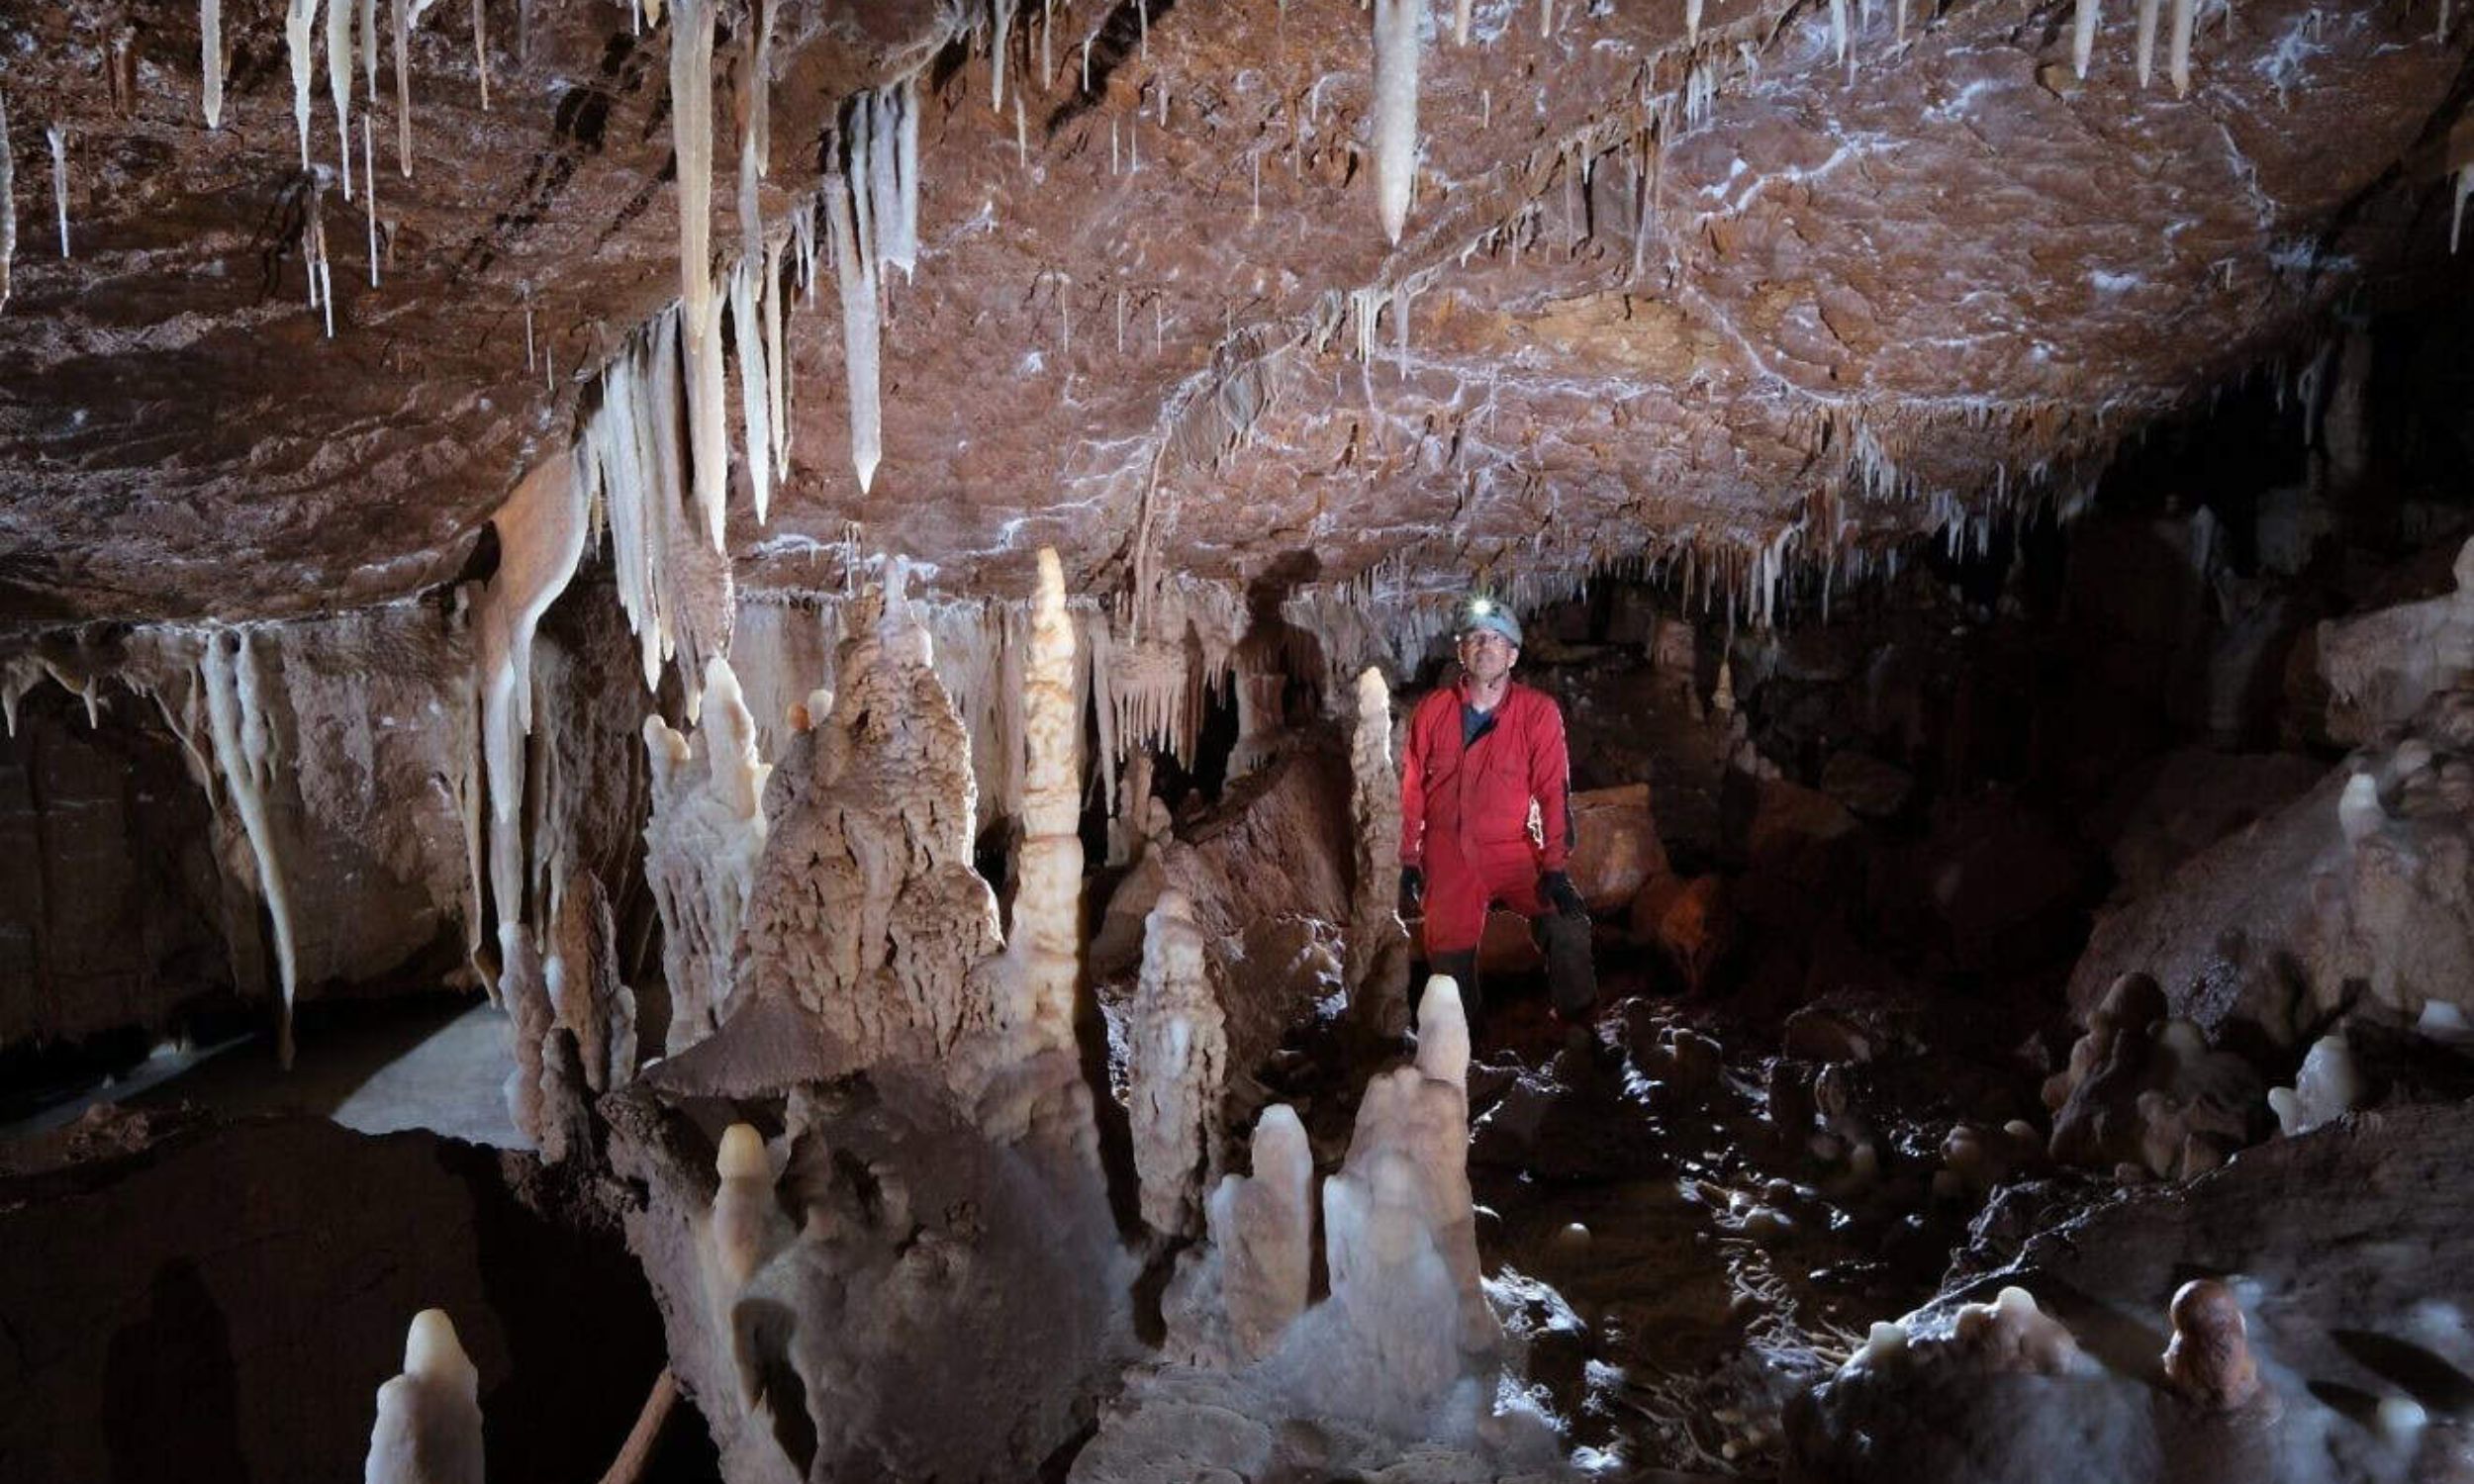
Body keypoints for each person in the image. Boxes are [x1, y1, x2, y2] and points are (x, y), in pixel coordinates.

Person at [1396, 596, 1596, 1033]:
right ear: (1460, 652)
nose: (1484, 646)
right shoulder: (1433, 711)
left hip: (1512, 848)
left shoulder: (1537, 713)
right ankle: (1467, 1059)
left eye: (1495, 639)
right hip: (1448, 851)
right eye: (1474, 639)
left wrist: (1555, 867)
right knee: (1448, 968)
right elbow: (1412, 790)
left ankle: (1579, 1028)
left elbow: (1552, 792)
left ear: (1513, 654)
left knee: (1567, 924)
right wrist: (1409, 858)